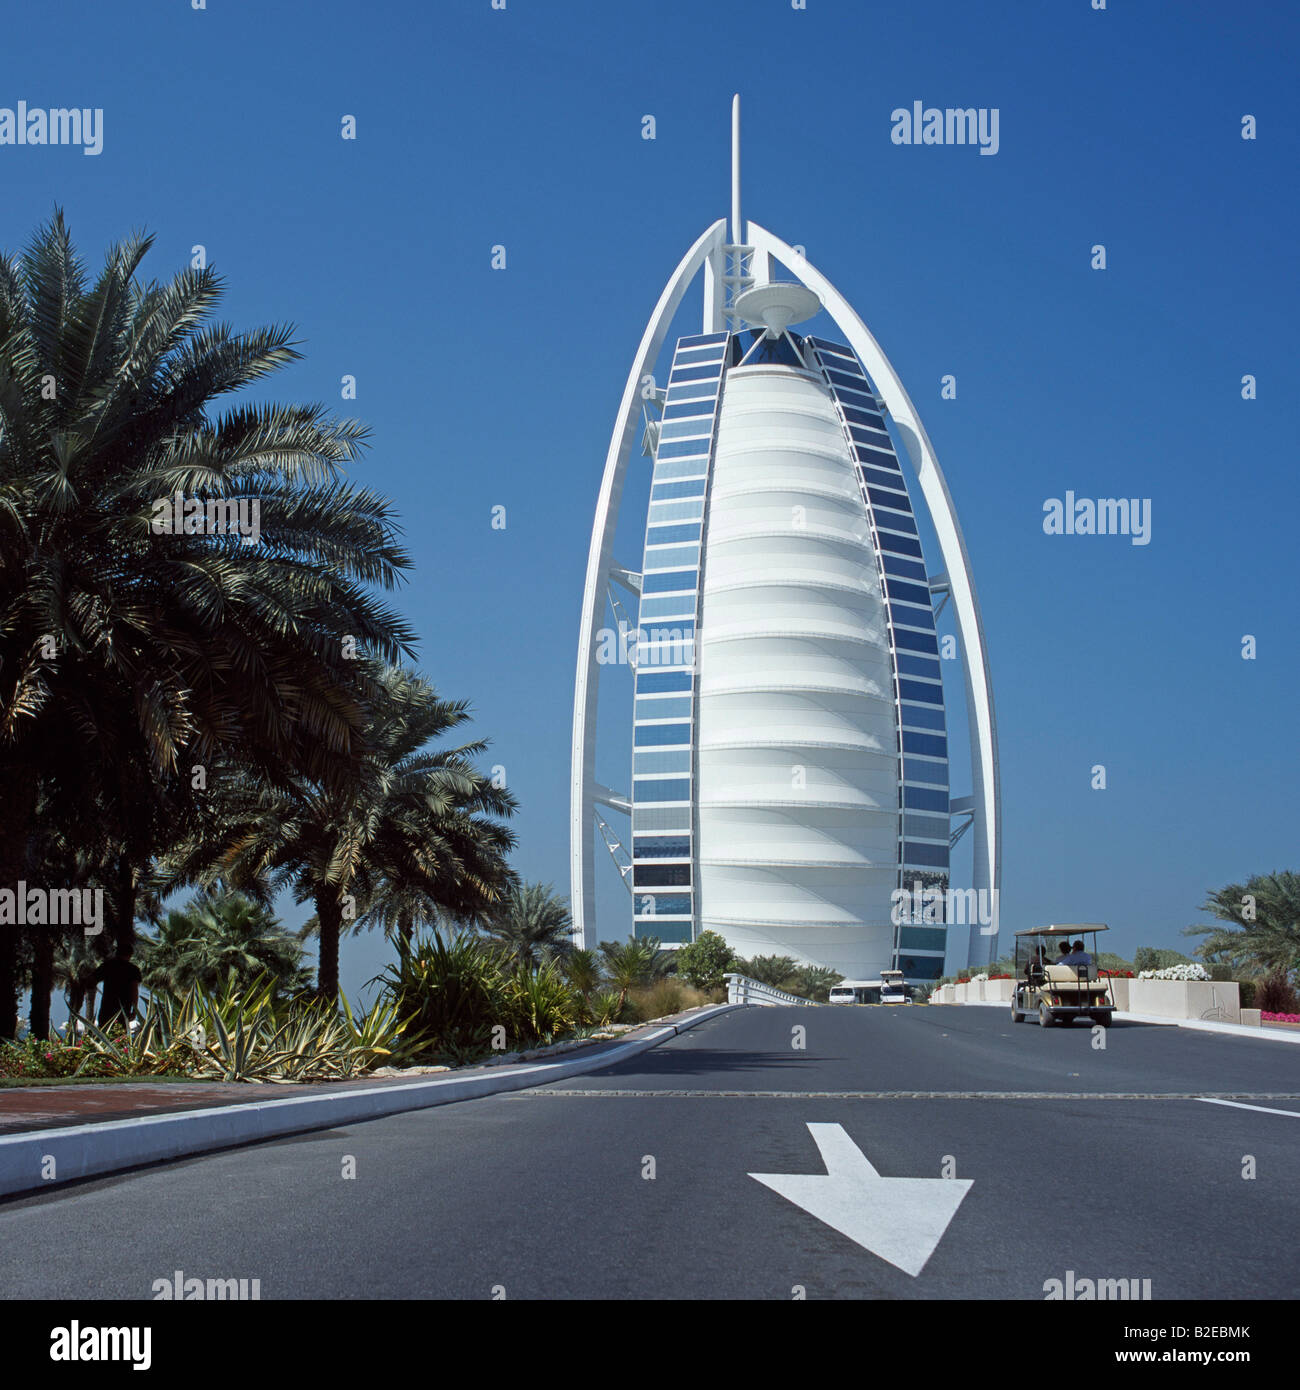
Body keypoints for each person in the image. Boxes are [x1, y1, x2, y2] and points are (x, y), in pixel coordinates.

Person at [93, 951, 142, 1028]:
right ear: (129, 955)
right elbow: (134, 991)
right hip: (124, 1008)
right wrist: (134, 1011)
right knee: (120, 1034)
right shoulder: (133, 969)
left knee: (104, 1029)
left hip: (107, 1007)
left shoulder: (107, 965)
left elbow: (92, 980)